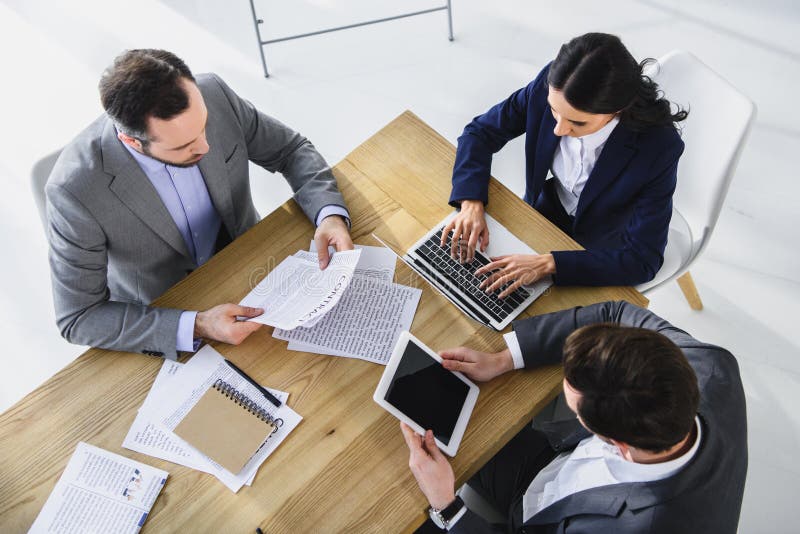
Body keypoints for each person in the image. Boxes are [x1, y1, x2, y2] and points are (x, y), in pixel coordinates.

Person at [46, 49, 353, 359]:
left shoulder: (214, 93)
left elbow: (291, 149)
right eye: (184, 146)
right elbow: (79, 317)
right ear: (132, 142)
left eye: (203, 126)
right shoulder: (73, 191)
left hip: (254, 265)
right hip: (168, 309)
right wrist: (198, 325)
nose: (205, 146)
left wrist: (328, 214)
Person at [402, 301, 747, 533]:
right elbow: (615, 312)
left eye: (573, 405)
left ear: (617, 443)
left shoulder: (633, 526)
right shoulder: (712, 366)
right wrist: (505, 358)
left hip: (537, 523)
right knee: (448, 422)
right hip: (547, 465)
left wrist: (448, 507)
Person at [444, 33, 688, 295]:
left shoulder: (659, 148)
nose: (559, 129)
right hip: (541, 213)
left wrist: (549, 263)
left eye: (578, 123)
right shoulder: (550, 88)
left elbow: (643, 260)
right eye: (553, 111)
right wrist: (470, 202)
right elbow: (480, 133)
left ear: (618, 109)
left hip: (600, 252)